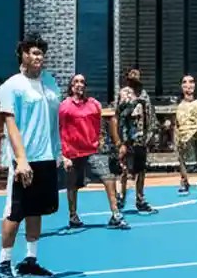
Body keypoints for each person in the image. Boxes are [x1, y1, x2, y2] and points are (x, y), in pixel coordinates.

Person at [0, 35, 61, 278]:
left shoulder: (50, 82)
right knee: (15, 212)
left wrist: (59, 152)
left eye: (41, 53)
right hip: (24, 159)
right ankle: (3, 263)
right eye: (33, 53)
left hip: (47, 158)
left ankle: (30, 261)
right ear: (22, 54)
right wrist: (21, 160)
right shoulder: (11, 86)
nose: (38, 57)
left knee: (37, 210)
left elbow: (54, 121)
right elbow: (10, 124)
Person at [59, 74, 128, 230]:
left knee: (108, 179)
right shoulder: (64, 106)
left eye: (82, 82)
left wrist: (110, 141)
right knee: (72, 185)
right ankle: (73, 216)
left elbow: (106, 121)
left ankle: (116, 214)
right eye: (76, 82)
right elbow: (60, 129)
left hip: (93, 150)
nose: (79, 84)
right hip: (73, 152)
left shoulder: (94, 104)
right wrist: (63, 155)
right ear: (71, 86)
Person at [113, 69, 158, 215]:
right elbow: (119, 115)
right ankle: (121, 196)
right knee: (124, 169)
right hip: (127, 137)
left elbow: (150, 114)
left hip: (141, 138)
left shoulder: (144, 93)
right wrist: (120, 141)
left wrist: (150, 134)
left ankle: (140, 198)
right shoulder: (123, 93)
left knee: (140, 169)